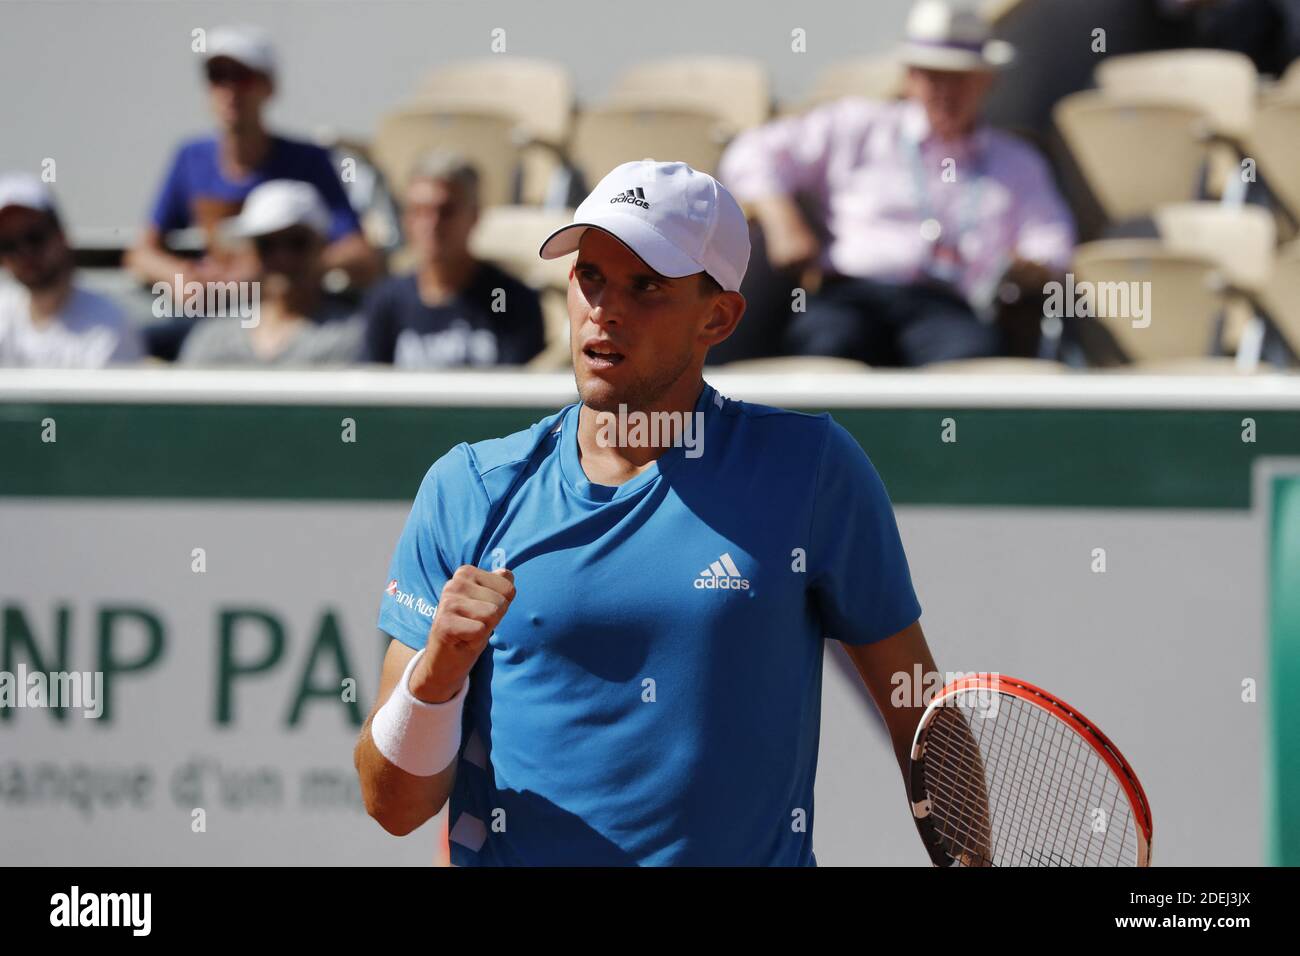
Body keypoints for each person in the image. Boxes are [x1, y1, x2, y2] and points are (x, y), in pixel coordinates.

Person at [354, 160, 941, 866]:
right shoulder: (469, 487)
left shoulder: (812, 470)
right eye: (590, 277)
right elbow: (393, 807)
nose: (605, 309)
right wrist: (438, 675)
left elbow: (924, 720)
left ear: (717, 316)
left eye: (646, 286)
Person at [717, 0, 1075, 367]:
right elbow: (751, 151)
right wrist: (781, 220)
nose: (944, 90)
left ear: (988, 81)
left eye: (959, 77)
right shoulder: (858, 126)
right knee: (826, 346)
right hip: (851, 295)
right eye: (931, 74)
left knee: (970, 363)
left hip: (949, 307)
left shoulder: (1016, 161)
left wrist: (1031, 267)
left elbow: (1050, 240)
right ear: (909, 77)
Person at [125, 24, 380, 357]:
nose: (230, 90)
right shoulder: (190, 158)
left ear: (268, 87)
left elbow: (361, 255)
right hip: (213, 318)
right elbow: (140, 253)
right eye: (218, 76)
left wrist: (283, 269)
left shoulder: (309, 161)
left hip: (292, 318)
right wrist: (178, 277)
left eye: (242, 77)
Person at [361, 153, 545, 368]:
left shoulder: (511, 300)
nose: (432, 225)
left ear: (474, 216)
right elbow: (370, 388)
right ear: (406, 220)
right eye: (420, 211)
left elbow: (521, 391)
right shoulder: (386, 301)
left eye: (445, 211)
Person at [178, 180, 363, 366]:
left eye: (297, 243)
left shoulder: (348, 336)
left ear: (322, 247)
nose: (282, 258)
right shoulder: (213, 339)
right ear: (249, 252)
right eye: (266, 245)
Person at [0, 174, 143, 368]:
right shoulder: (4, 314)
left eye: (34, 237)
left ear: (60, 235)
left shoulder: (109, 326)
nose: (24, 252)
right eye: (8, 244)